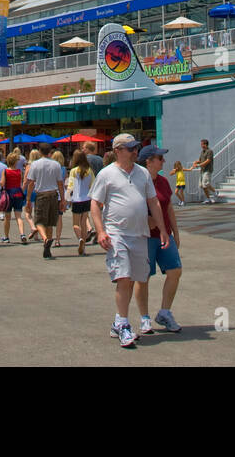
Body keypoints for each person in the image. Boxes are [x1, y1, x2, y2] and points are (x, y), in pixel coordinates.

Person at [89, 134, 170, 348]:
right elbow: (95, 204)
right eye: (130, 148)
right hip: (117, 233)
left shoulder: (142, 173)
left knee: (134, 277)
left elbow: (153, 202)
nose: (135, 151)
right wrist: (100, 231)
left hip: (140, 234)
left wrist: (162, 228)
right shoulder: (106, 174)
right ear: (118, 150)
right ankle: (125, 325)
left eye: (136, 148)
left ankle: (118, 320)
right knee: (123, 277)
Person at [136, 144, 182, 333]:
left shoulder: (163, 181)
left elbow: (169, 207)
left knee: (175, 271)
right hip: (145, 237)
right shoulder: (138, 182)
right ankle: (144, 318)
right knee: (143, 277)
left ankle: (165, 312)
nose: (163, 161)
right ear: (149, 161)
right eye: (159, 158)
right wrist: (145, 220)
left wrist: (175, 232)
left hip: (164, 235)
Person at [24, 143, 65, 259]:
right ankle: (47, 248)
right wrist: (62, 199)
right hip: (53, 195)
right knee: (50, 223)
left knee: (39, 221)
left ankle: (46, 239)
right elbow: (60, 183)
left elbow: (31, 183)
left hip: (41, 195)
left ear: (40, 152)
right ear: (50, 152)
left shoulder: (35, 165)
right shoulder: (56, 165)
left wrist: (28, 200)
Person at [67, 150, 95, 256]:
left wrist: (67, 199)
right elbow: (93, 185)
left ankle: (80, 240)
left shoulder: (74, 171)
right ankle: (83, 247)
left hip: (76, 199)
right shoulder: (89, 170)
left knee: (75, 224)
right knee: (84, 223)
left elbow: (70, 186)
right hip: (86, 199)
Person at [0, 151, 30, 243]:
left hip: (9, 194)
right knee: (18, 216)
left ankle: (6, 236)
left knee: (7, 217)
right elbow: (20, 182)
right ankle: (22, 234)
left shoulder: (5, 171)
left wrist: (0, 184)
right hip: (18, 193)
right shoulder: (19, 171)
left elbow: (2, 183)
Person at [191, 139, 217, 203]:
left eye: (202, 144)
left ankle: (215, 191)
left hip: (207, 170)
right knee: (202, 185)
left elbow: (208, 161)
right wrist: (196, 162)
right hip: (202, 170)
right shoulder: (202, 152)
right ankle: (208, 199)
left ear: (205, 144)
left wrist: (199, 165)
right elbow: (200, 160)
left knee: (205, 184)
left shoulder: (209, 151)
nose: (201, 145)